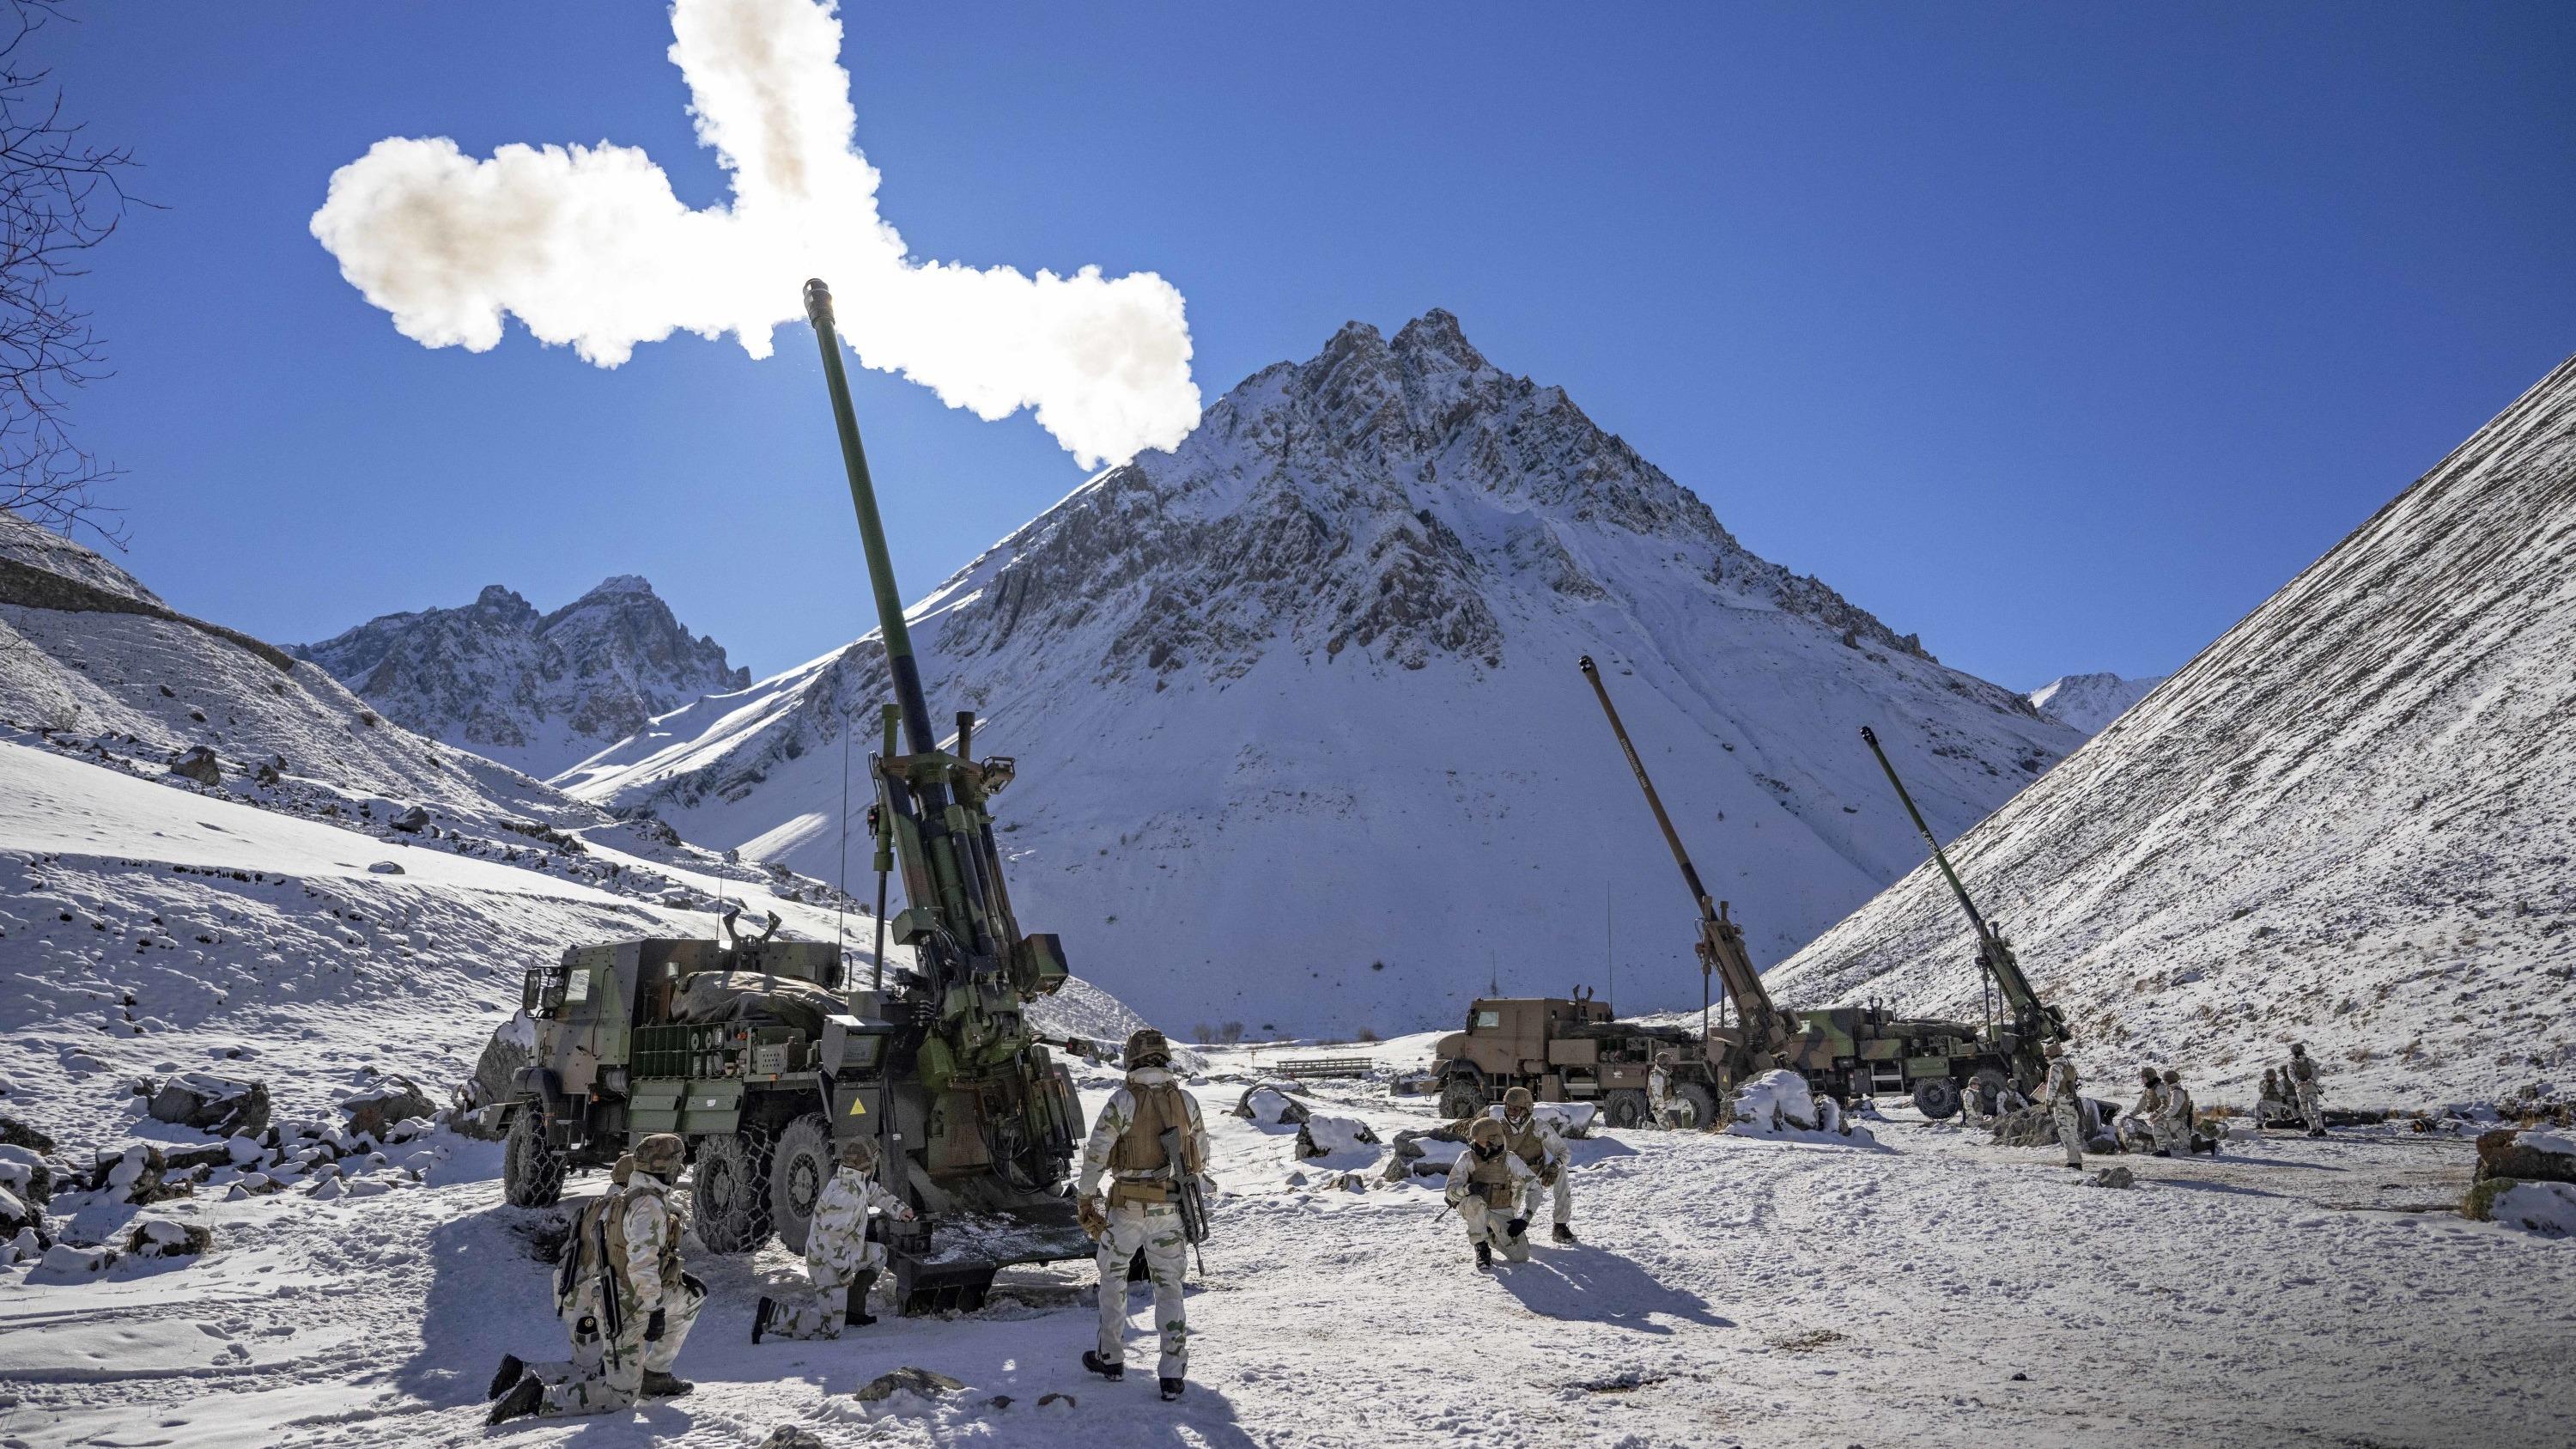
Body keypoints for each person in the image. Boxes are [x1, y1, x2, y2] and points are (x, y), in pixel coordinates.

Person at [489, 1133, 706, 1424]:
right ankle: (538, 1399)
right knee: (619, 1394)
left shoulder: (616, 1203)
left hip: (595, 1296)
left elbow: (614, 1257)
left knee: (594, 1365)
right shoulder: (647, 1206)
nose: (680, 1171)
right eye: (676, 1165)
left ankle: (525, 1372)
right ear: (664, 1168)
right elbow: (640, 1264)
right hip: (624, 1303)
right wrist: (654, 1308)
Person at [1077, 1027, 1212, 1403]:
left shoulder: (1123, 1101)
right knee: (1169, 1287)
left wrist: (1085, 1200)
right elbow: (1201, 1156)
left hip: (1126, 1211)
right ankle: (1172, 1374)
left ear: (1131, 1061)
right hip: (1170, 1212)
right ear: (1166, 1059)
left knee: (1113, 1279)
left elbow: (1096, 1155)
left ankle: (1111, 1358)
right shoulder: (1187, 1101)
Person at [752, 1135, 914, 1342]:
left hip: (846, 1254)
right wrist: (845, 1273)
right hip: (827, 1264)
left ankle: (853, 1311)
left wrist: (899, 1209)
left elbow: (873, 1192)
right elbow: (831, 1240)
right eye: (874, 1158)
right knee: (830, 1330)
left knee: (879, 1254)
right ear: (868, 1162)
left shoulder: (853, 1179)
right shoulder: (844, 1194)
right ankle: (770, 1316)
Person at [1445, 1116, 1537, 1269]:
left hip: (1501, 1209)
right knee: (1475, 1201)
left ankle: (1490, 1233)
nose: (1475, 1146)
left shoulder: (1510, 1160)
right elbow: (1449, 1192)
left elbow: (1535, 1187)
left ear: (1494, 1143)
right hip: (1474, 1207)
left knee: (1521, 1256)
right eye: (1475, 1141)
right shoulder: (1467, 1158)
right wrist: (1468, 1189)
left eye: (1480, 1143)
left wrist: (1525, 1219)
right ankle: (1481, 1246)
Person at [1492, 1087, 1575, 1245]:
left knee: (1562, 1171)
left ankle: (1560, 1226)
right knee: (1506, 1223)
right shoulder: (1498, 1129)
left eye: (1516, 1108)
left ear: (1527, 1109)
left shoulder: (1538, 1127)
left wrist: (1553, 1167)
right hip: (1512, 1181)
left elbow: (1564, 1152)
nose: (1511, 1112)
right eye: (1508, 1107)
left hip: (1538, 1174)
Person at [2040, 1042, 2085, 1169]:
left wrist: (2048, 1104)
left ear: (2051, 1055)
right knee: (2073, 1133)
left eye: (2047, 1055)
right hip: (2071, 1103)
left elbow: (2052, 1087)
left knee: (2066, 1133)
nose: (2046, 1058)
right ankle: (2076, 1160)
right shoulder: (2067, 1065)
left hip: (2061, 1104)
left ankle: (2074, 1162)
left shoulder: (2055, 1067)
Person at [2287, 1043, 2326, 1138]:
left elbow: (2316, 1072)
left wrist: (2311, 1080)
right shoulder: (2292, 1063)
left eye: (2298, 1050)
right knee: (2305, 1110)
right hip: (2300, 1088)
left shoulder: (2310, 1061)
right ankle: (2313, 1128)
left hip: (2311, 1087)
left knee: (2313, 1108)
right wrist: (2297, 1081)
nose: (2297, 1052)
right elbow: (2291, 1074)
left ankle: (2320, 1129)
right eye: (2295, 1051)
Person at [2158, 1068, 2196, 1159]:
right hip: (2178, 1121)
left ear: (2168, 1081)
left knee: (2158, 1125)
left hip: (2179, 1122)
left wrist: (2160, 1117)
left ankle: (2164, 1149)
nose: (2164, 1083)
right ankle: (2168, 1148)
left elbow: (2173, 1110)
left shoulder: (2177, 1092)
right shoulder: (2174, 1091)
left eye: (2165, 1081)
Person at [2126, 1067, 2166, 1153]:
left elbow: (2166, 1105)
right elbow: (2140, 1106)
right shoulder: (2147, 1090)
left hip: (2166, 1117)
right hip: (2156, 1118)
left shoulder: (2160, 1088)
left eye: (2143, 1077)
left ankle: (2163, 1150)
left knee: (2157, 1130)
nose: (2142, 1080)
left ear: (2150, 1077)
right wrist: (2131, 1115)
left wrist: (2156, 1114)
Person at [1646, 1052, 1679, 1129]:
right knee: (1667, 1128)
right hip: (1657, 1105)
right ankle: (1644, 1125)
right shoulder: (1657, 1077)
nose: (1670, 1065)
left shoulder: (1664, 1074)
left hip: (1663, 1102)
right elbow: (1658, 1098)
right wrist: (1665, 1111)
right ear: (1664, 1064)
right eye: (1668, 1063)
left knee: (1669, 1127)